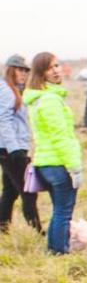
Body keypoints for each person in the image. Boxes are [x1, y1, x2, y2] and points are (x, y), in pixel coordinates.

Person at [25, 53, 81, 254]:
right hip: (57, 163)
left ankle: (55, 246)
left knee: (59, 210)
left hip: (45, 161)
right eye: (50, 68)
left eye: (57, 65)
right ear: (41, 73)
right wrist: (74, 167)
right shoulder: (49, 100)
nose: (56, 70)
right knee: (63, 211)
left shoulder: (39, 98)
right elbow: (60, 137)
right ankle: (58, 251)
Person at [0, 55, 41, 233]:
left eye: (25, 70)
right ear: (10, 70)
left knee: (10, 190)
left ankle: (2, 226)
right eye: (19, 69)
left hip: (12, 147)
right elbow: (3, 120)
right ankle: (37, 231)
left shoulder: (15, 89)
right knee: (29, 191)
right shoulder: (6, 90)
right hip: (11, 150)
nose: (23, 73)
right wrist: (15, 149)